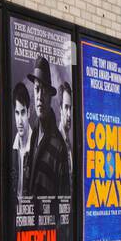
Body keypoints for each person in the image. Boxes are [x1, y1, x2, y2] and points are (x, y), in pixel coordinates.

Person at [24, 58, 71, 197]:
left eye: (44, 91)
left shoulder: (59, 146)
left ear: (50, 96)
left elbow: (64, 197)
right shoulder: (33, 135)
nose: (39, 97)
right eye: (37, 89)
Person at [10, 81, 31, 199]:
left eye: (22, 112)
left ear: (29, 113)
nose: (19, 120)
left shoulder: (37, 147)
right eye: (17, 113)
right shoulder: (12, 150)